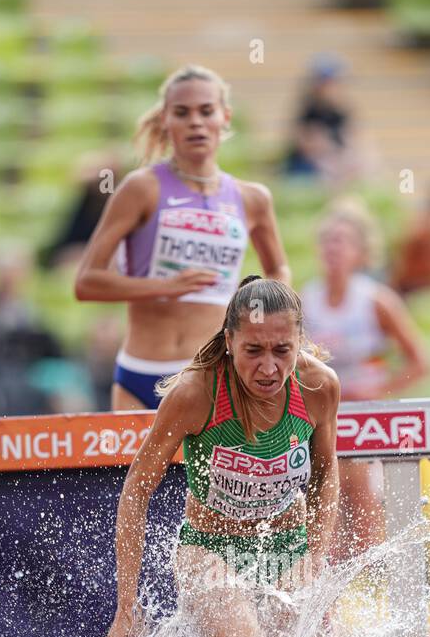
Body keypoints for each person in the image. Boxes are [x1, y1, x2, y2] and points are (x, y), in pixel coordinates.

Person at [90, 276, 356, 637]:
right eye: (254, 350)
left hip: (285, 544)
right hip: (210, 550)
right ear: (229, 340)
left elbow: (324, 475)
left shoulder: (318, 386)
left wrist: (314, 555)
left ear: (299, 344)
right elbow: (136, 489)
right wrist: (126, 601)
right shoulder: (195, 395)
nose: (269, 367)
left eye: (282, 349)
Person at [75, 64, 291, 412]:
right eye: (182, 112)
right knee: (133, 470)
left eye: (206, 111)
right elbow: (87, 283)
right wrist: (165, 286)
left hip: (211, 373)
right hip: (141, 373)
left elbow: (279, 268)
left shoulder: (252, 198)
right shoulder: (141, 188)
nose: (195, 122)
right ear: (165, 120)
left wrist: (258, 307)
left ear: (225, 117)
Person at [300, 200, 430, 559]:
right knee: (320, 511)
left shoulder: (376, 301)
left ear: (360, 252)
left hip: (364, 415)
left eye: (341, 241)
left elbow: (420, 363)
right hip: (322, 416)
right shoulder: (305, 301)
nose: (332, 248)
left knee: (360, 513)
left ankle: (360, 593)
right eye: (327, 240)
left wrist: (377, 388)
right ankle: (325, 604)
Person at [282, 55, 372, 184]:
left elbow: (354, 138)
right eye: (333, 84)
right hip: (310, 169)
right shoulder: (311, 110)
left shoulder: (342, 110)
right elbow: (306, 142)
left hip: (336, 163)